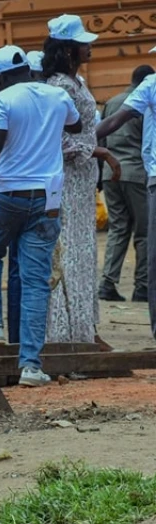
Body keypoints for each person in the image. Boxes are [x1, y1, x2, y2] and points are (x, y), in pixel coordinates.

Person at [0, 45, 82, 386]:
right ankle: (31, 366)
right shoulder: (57, 96)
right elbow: (77, 125)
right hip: (47, 200)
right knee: (35, 281)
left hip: (9, 195)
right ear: (28, 69)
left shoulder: (1, 100)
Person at [42, 14, 122, 344]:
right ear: (68, 49)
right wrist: (97, 152)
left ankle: (85, 329)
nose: (89, 47)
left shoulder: (78, 83)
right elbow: (54, 139)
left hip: (81, 181)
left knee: (84, 253)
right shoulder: (58, 87)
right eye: (82, 43)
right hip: (66, 179)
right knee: (70, 255)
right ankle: (66, 336)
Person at [98, 59, 156, 340]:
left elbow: (104, 132)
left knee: (119, 229)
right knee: (144, 234)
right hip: (136, 174)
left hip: (111, 173)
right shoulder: (144, 101)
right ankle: (142, 287)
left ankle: (108, 282)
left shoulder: (112, 102)